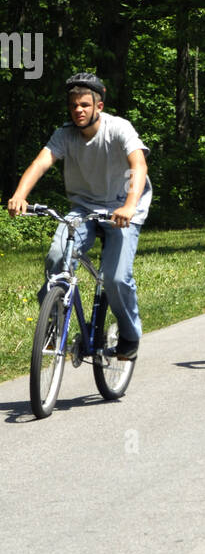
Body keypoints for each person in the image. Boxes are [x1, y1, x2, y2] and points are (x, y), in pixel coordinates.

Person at [7, 72, 151, 360]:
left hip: (122, 207)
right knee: (57, 257)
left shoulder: (119, 128)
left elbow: (139, 163)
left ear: (99, 104)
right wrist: (20, 195)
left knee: (116, 278)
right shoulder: (64, 134)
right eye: (74, 105)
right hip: (84, 208)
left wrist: (130, 205)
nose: (78, 111)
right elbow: (41, 162)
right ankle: (53, 322)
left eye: (85, 104)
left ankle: (130, 335)